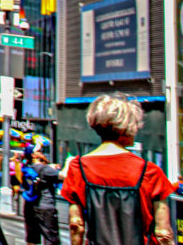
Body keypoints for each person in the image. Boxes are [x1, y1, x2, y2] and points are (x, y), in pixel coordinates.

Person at [62, 96, 174, 245]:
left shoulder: (79, 168)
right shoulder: (149, 172)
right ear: (126, 128)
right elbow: (163, 233)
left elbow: (76, 225)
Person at [22, 146, 62, 245]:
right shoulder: (44, 169)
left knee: (32, 238)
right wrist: (69, 162)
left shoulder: (27, 168)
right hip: (45, 206)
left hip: (30, 205)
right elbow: (63, 176)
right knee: (51, 238)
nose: (42, 153)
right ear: (34, 155)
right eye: (39, 151)